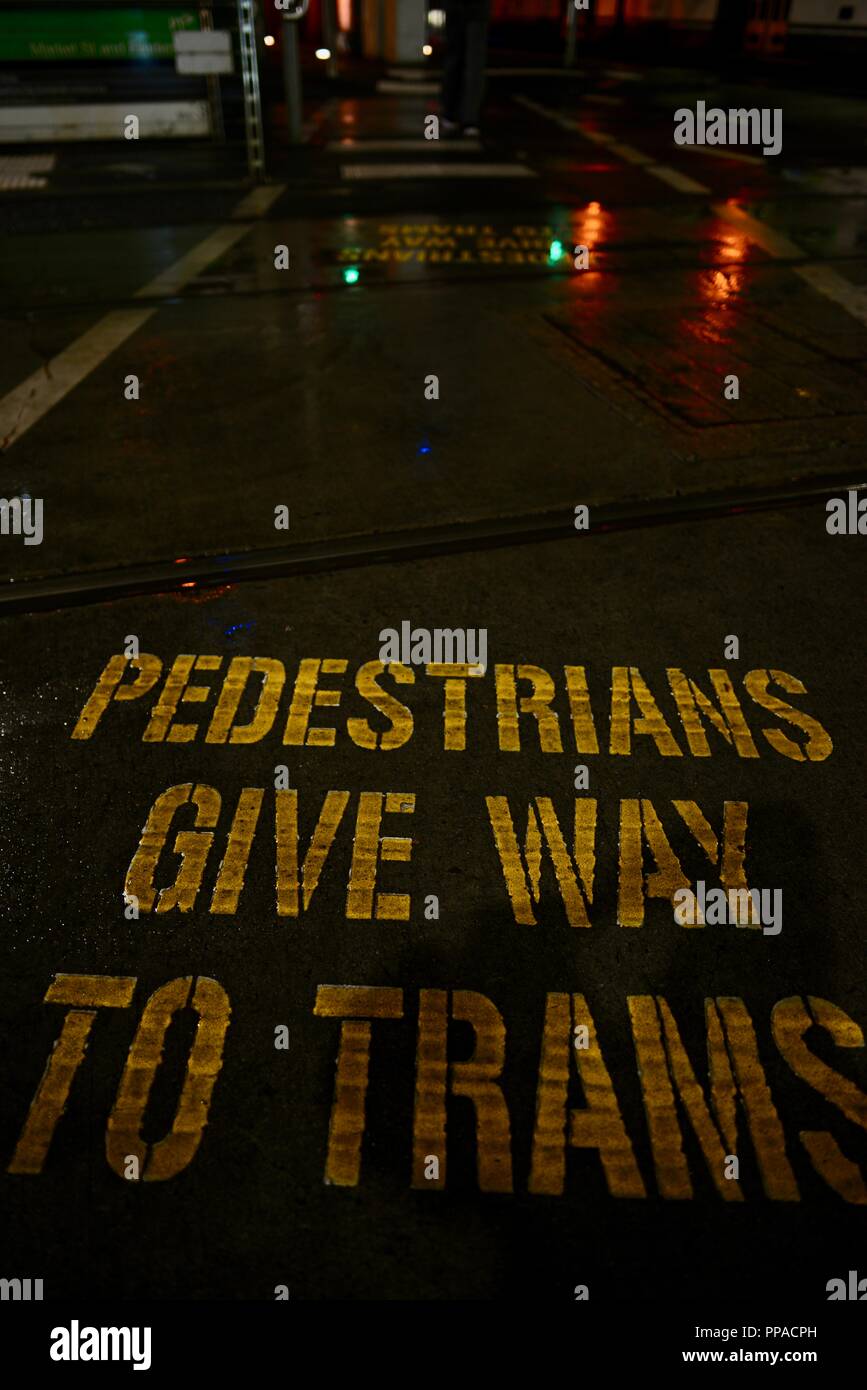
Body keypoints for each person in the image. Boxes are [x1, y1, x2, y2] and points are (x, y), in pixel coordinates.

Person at [440, 0, 492, 138]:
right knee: (473, 63)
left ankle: (451, 113)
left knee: (455, 59)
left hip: (457, 8)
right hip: (474, 10)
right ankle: (469, 118)